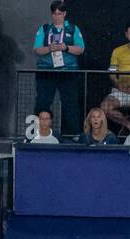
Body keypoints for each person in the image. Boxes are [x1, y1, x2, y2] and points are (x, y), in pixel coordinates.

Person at [33, 2, 84, 139]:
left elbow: (80, 49)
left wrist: (65, 47)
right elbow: (37, 49)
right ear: (51, 14)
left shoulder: (73, 29)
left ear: (65, 14)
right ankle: (39, 132)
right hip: (46, 70)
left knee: (70, 103)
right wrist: (49, 48)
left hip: (68, 71)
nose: (57, 17)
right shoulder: (44, 28)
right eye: (55, 14)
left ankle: (73, 134)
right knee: (43, 102)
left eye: (60, 14)